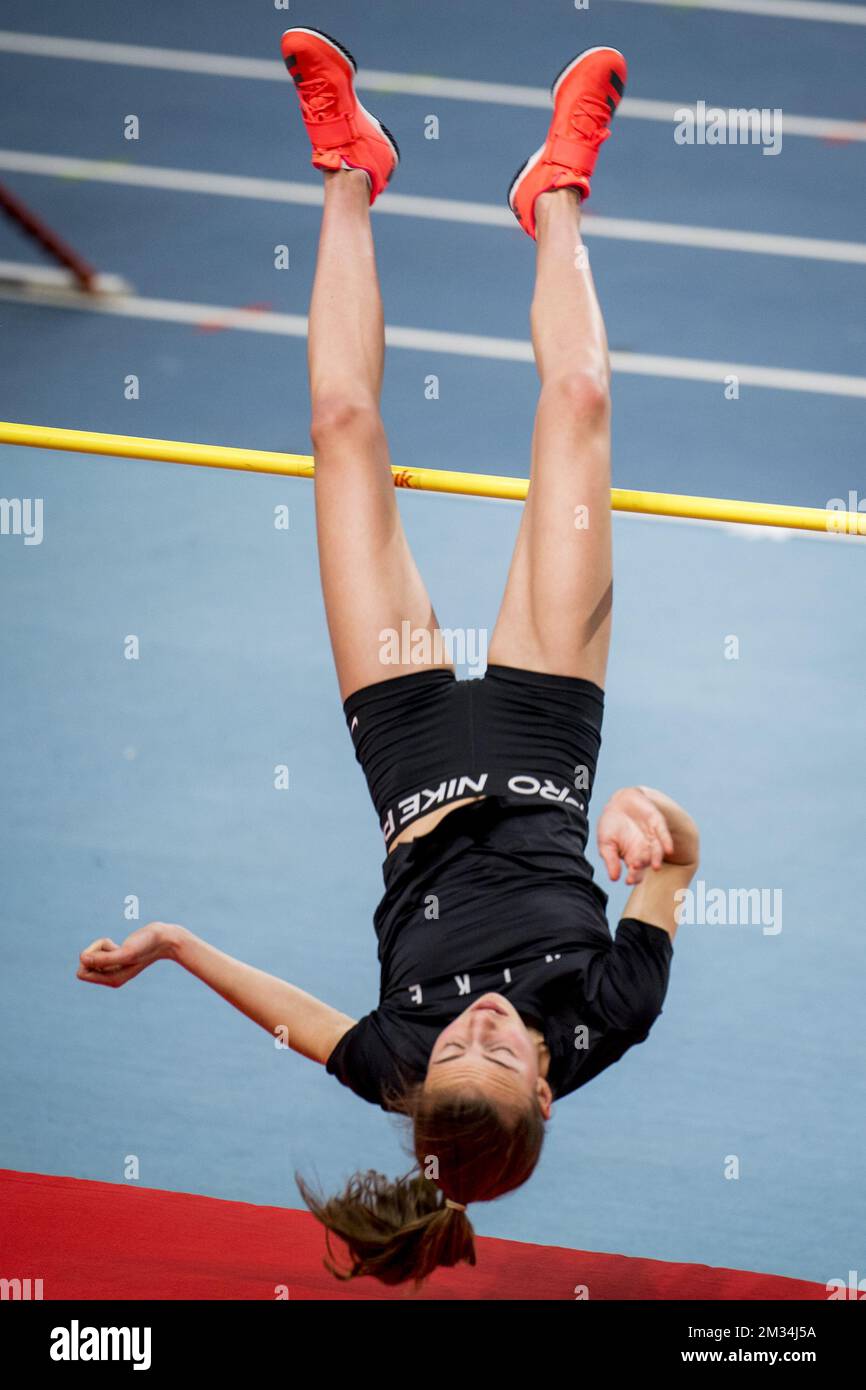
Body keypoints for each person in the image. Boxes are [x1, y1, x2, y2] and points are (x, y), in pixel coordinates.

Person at [77, 29, 699, 1288]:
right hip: (544, 736)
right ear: (549, 1091)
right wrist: (646, 822)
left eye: (455, 1052)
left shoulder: (393, 1066)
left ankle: (347, 165)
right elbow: (678, 860)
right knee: (575, 413)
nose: (478, 1029)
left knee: (342, 426)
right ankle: (556, 190)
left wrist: (175, 944)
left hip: (404, 748)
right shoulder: (612, 1014)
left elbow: (292, 1017)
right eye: (503, 1053)